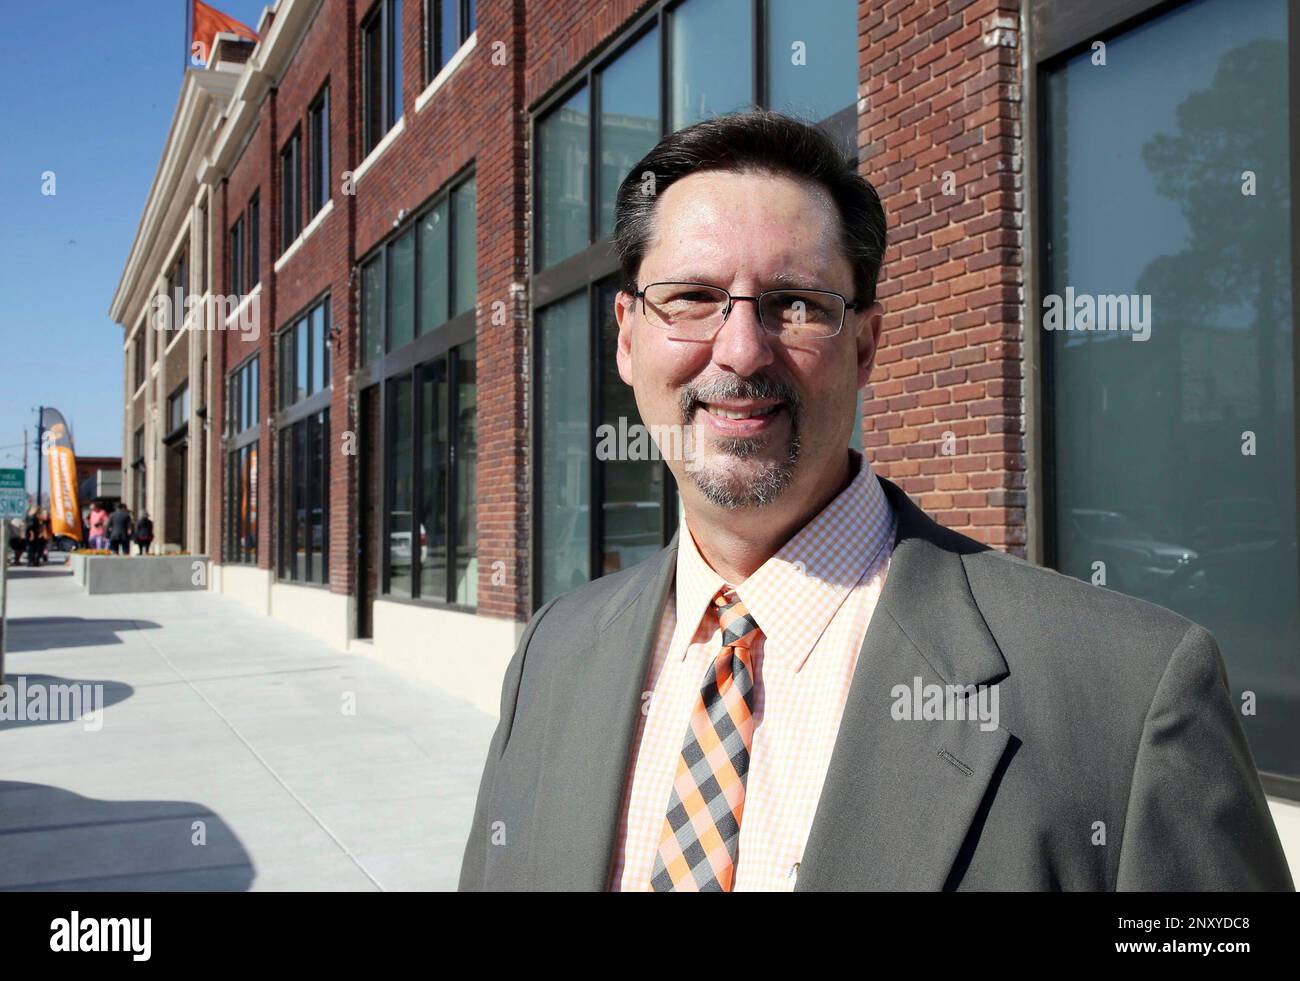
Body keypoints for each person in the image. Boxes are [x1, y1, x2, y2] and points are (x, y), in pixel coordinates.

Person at [458, 111, 1293, 892]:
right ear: (628, 338)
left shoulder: (1130, 696)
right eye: (692, 298)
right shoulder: (550, 656)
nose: (742, 349)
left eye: (797, 303)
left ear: (863, 346)